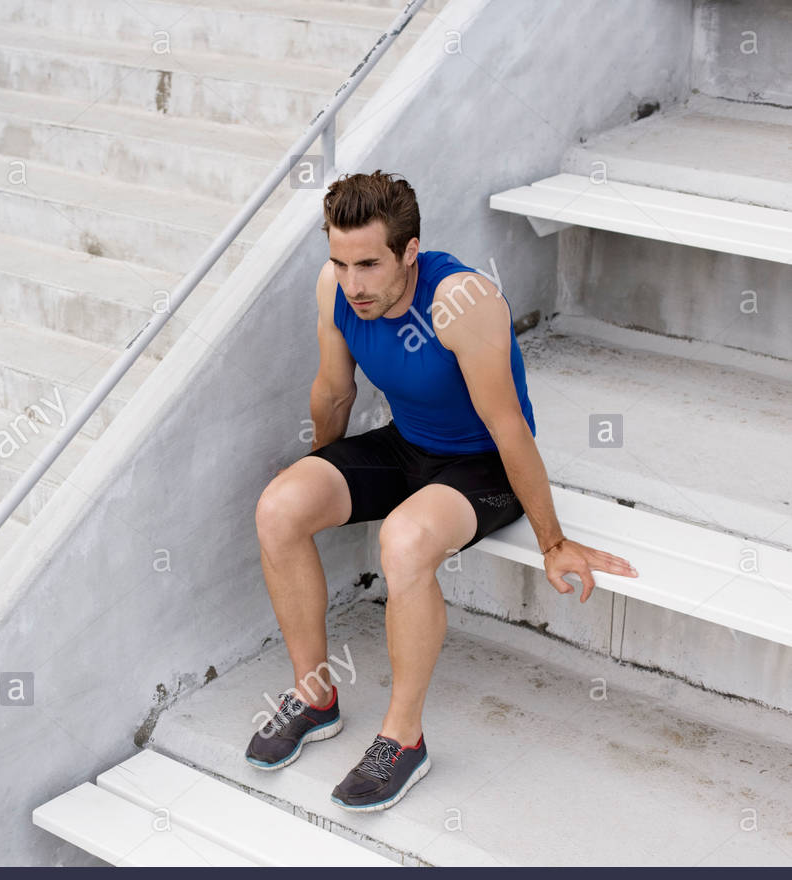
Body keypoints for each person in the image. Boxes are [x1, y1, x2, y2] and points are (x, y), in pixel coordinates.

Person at [246, 170, 639, 812]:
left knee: (403, 542)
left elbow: (509, 430)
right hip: (407, 447)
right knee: (279, 506)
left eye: (370, 264)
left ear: (409, 251)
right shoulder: (335, 288)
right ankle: (315, 697)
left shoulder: (462, 300)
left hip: (482, 467)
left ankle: (403, 740)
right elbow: (335, 390)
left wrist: (554, 541)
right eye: (340, 263)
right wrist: (323, 474)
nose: (354, 283)